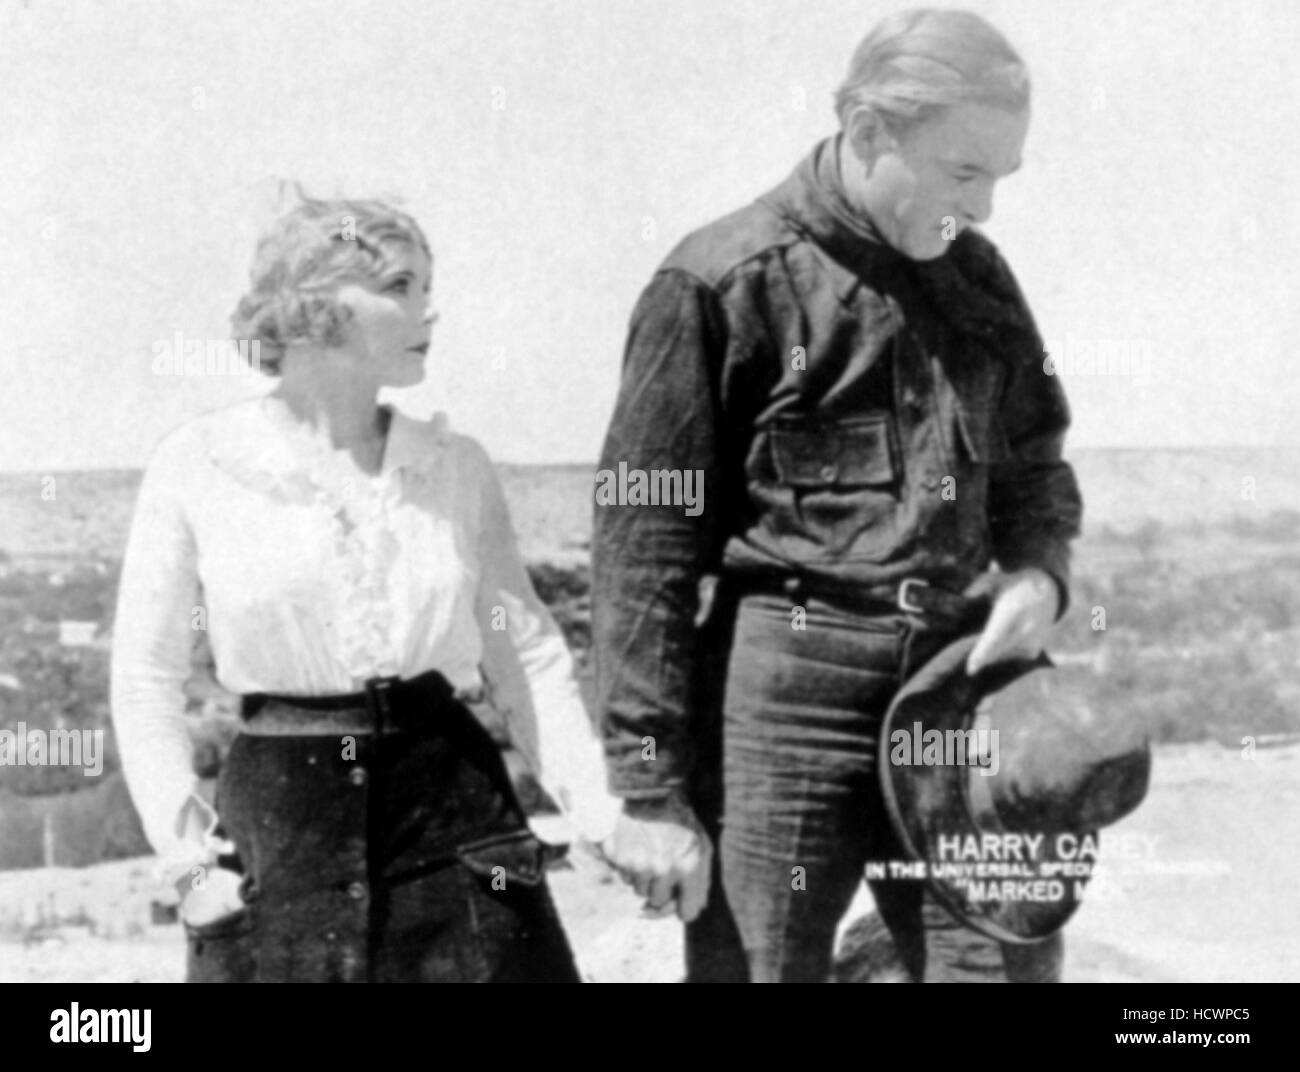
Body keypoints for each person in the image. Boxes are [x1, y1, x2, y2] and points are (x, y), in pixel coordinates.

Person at [592, 8, 1083, 983]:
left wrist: (1040, 577)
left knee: (1000, 967)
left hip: (956, 686)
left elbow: (1035, 466)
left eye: (996, 178)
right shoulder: (719, 280)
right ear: (868, 133)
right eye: (961, 172)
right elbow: (642, 551)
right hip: (782, 694)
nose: (982, 207)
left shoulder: (978, 281)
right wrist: (648, 789)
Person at [110, 195, 620, 982]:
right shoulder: (198, 464)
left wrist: (601, 814)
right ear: (316, 306)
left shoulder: (454, 465)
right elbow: (144, 680)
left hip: (456, 823)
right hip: (280, 836)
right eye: (401, 286)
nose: (429, 309)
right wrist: (187, 865)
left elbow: (526, 656)